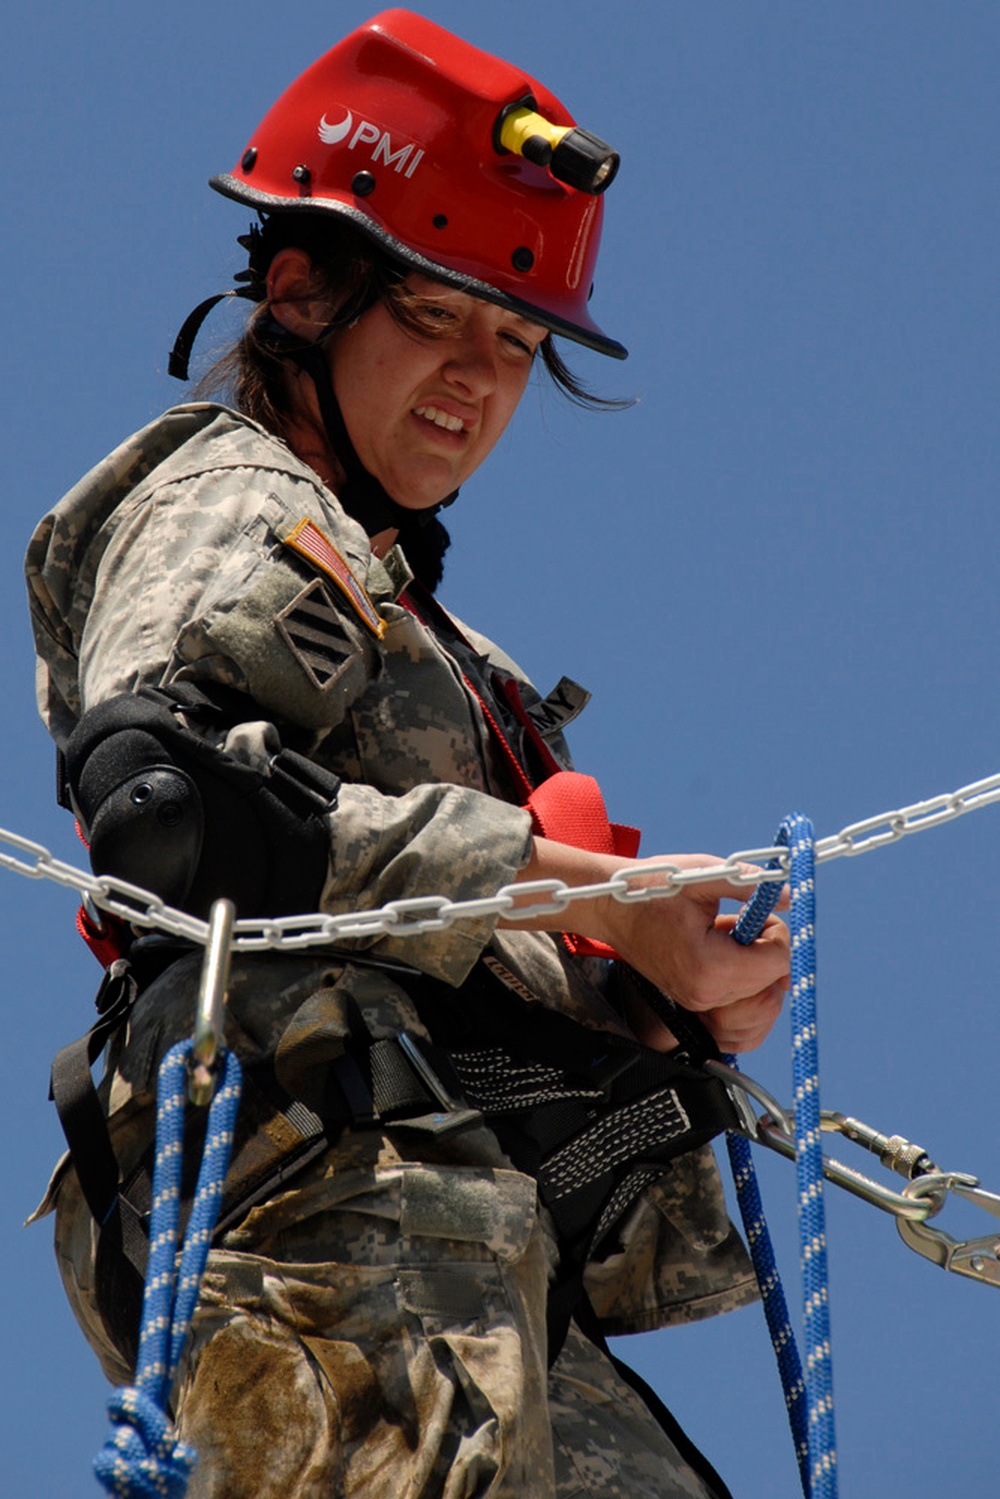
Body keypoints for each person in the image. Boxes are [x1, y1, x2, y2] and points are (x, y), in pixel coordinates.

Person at [26, 11, 789, 1497]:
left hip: (461, 1242)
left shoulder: (444, 649)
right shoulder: (232, 492)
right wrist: (576, 883)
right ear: (300, 295)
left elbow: (416, 917)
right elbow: (169, 809)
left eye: (515, 341)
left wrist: (647, 989)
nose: (479, 378)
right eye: (435, 315)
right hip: (326, 1218)